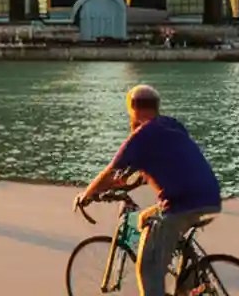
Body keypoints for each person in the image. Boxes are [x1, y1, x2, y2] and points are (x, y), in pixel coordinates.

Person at [74, 85, 222, 296]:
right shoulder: (172, 125)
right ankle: (189, 285)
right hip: (209, 196)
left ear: (133, 109)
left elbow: (109, 173)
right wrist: (134, 181)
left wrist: (86, 195)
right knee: (145, 218)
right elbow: (167, 161)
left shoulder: (142, 135)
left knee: (147, 270)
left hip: (181, 204)